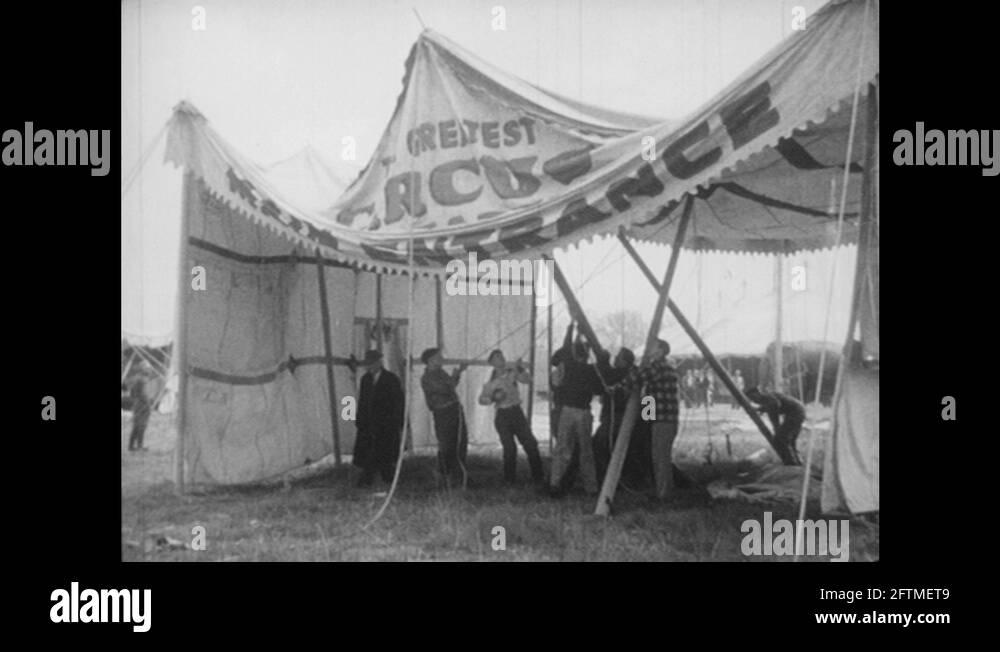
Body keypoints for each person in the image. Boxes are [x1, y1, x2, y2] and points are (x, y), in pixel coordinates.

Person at [611, 339, 680, 500]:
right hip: (663, 419)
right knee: (660, 455)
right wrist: (646, 418)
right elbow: (649, 395)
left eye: (653, 347)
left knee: (660, 457)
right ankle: (665, 490)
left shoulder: (658, 367)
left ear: (661, 351)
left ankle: (664, 495)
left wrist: (617, 387)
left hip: (663, 420)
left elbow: (638, 377)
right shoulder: (666, 368)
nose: (649, 350)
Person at [478, 349, 544, 487]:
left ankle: (539, 477)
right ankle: (509, 480)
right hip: (502, 416)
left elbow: (528, 380)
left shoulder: (512, 372)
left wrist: (519, 368)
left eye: (501, 355)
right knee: (509, 448)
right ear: (491, 363)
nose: (501, 358)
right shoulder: (492, 382)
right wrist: (492, 398)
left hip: (516, 413)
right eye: (497, 357)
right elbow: (482, 399)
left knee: (531, 444)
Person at [548, 340, 604, 496]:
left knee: (562, 448)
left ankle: (555, 483)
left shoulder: (568, 367)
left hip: (567, 410)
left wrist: (571, 329)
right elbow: (599, 390)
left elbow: (556, 380)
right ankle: (591, 487)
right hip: (584, 411)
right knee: (586, 451)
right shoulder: (592, 370)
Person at [353, 350, 405, 487]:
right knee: (369, 450)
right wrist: (359, 419)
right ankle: (369, 478)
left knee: (385, 450)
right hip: (369, 423)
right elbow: (362, 401)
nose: (369, 367)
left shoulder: (391, 379)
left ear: (379, 363)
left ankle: (385, 477)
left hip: (386, 423)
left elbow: (398, 401)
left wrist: (398, 421)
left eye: (371, 364)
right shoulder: (365, 379)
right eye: (367, 365)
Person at [420, 348, 469, 487]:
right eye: (438, 356)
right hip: (443, 413)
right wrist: (455, 375)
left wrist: (457, 373)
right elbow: (446, 388)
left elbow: (451, 385)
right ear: (430, 360)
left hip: (454, 409)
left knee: (460, 441)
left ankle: (459, 476)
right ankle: (444, 476)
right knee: (447, 444)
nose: (441, 358)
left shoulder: (440, 372)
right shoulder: (427, 377)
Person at [592, 346, 641, 484]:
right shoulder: (632, 373)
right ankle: (620, 476)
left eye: (618, 357)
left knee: (600, 443)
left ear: (624, 361)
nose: (615, 358)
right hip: (619, 417)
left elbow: (607, 375)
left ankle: (605, 477)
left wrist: (603, 360)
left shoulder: (624, 374)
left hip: (616, 417)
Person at [745, 387, 805, 465]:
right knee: (789, 440)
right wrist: (760, 409)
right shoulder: (768, 397)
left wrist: (776, 428)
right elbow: (771, 405)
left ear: (758, 393)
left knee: (781, 438)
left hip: (796, 413)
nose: (754, 401)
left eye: (753, 398)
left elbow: (774, 409)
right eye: (751, 399)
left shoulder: (769, 399)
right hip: (799, 411)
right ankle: (798, 461)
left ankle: (791, 463)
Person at [127, 362, 159, 452]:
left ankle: (131, 446)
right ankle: (139, 446)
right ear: (143, 369)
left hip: (137, 403)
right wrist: (148, 405)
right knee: (141, 426)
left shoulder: (137, 378)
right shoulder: (142, 379)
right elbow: (144, 394)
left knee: (136, 425)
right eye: (148, 368)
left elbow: (132, 393)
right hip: (142, 404)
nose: (150, 370)